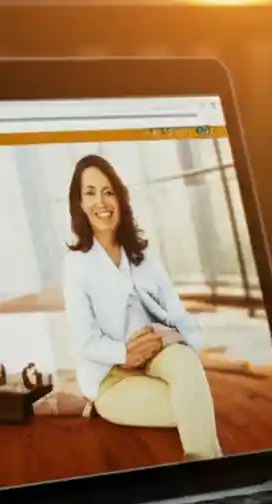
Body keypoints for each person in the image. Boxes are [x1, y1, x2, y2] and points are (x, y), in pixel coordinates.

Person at [61, 154, 222, 460]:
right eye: (91, 193)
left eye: (108, 191)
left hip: (160, 352)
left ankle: (204, 474)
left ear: (120, 198)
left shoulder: (144, 256)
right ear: (79, 204)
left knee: (187, 365)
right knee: (192, 405)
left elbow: (180, 316)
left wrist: (175, 338)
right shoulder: (76, 265)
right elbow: (85, 342)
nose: (101, 201)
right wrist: (126, 354)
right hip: (113, 377)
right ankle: (215, 478)